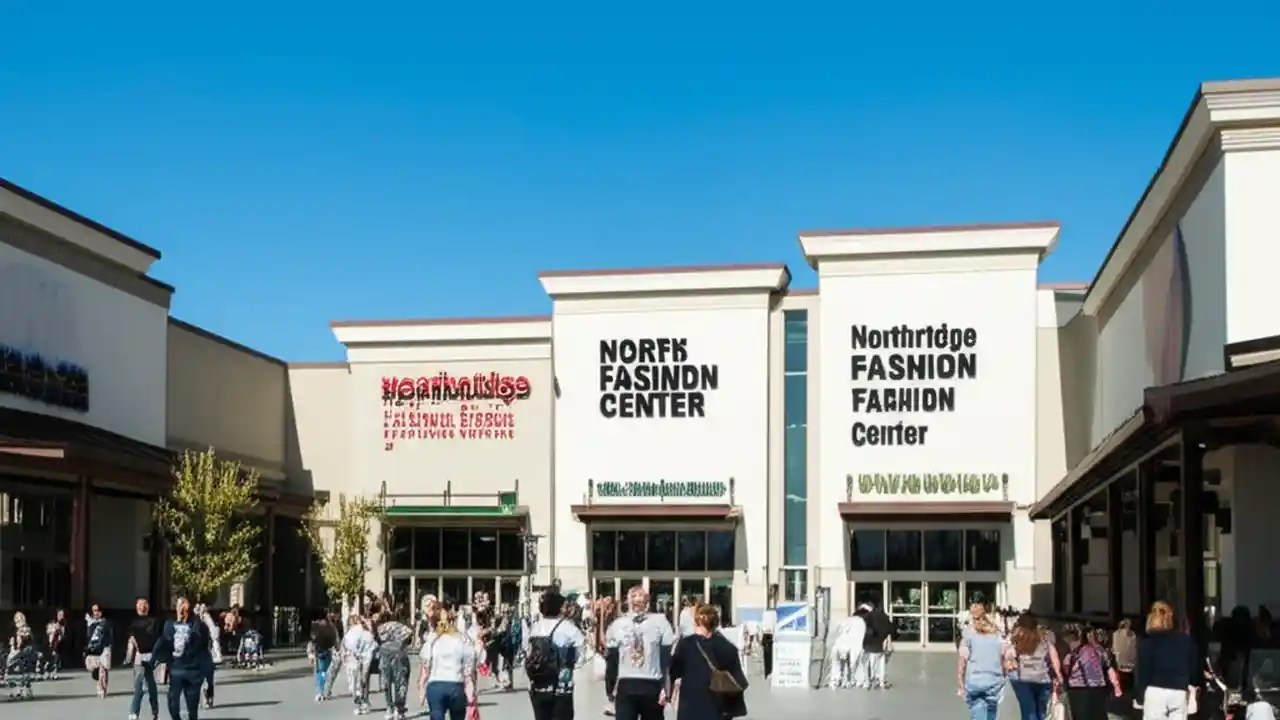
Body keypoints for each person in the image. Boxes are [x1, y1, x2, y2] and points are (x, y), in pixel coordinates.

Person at [606, 585, 676, 720]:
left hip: (650, 682)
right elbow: (612, 660)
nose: (637, 601)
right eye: (634, 597)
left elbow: (665, 659)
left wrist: (665, 688)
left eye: (641, 598)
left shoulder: (660, 623)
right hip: (628, 682)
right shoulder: (617, 625)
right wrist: (611, 689)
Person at [670, 603, 747, 719]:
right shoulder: (727, 646)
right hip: (719, 706)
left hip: (691, 705)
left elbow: (674, 671)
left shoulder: (686, 644)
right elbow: (738, 678)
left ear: (697, 622)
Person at [525, 590, 587, 720]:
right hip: (562, 686)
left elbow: (526, 650)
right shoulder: (569, 628)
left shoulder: (535, 627)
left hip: (538, 685)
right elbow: (581, 656)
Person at [1134, 601, 1199, 720]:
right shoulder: (1184, 641)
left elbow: (1143, 671)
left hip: (1155, 691)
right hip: (1179, 691)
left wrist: (1140, 696)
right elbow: (1194, 667)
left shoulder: (1147, 644)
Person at [419, 600, 478, 720]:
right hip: (456, 684)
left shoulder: (432, 640)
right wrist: (472, 688)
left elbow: (426, 664)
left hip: (436, 686)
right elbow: (469, 665)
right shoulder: (461, 639)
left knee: (436, 716)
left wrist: (421, 686)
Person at [154, 596, 210, 720]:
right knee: (173, 702)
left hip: (193, 671)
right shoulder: (169, 624)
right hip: (176, 669)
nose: (182, 608)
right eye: (179, 605)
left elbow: (204, 645)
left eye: (184, 605)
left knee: (192, 707)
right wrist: (156, 659)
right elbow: (163, 643)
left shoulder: (197, 624)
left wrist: (208, 675)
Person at [1006, 612, 1062, 720]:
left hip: (1023, 679)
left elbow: (1009, 656)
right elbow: (1053, 655)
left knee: (1028, 711)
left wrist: (1009, 665)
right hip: (1043, 678)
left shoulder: (1016, 636)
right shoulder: (1046, 635)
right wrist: (1058, 674)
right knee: (1041, 711)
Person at [1061, 626, 1123, 720]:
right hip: (1099, 688)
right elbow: (1109, 668)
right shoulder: (1100, 651)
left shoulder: (1075, 651)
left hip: (1079, 690)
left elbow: (1066, 667)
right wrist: (1116, 686)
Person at [957, 612, 1007, 720]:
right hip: (994, 681)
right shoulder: (998, 638)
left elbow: (962, 660)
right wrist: (1003, 676)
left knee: (977, 712)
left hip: (975, 680)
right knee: (991, 713)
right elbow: (1004, 660)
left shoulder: (969, 637)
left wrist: (960, 681)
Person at [373, 603, 414, 720]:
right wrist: (402, 644)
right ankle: (399, 709)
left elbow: (376, 640)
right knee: (400, 682)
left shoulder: (380, 628)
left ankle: (389, 708)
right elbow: (410, 634)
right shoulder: (399, 625)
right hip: (399, 654)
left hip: (385, 654)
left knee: (386, 682)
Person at [124, 597, 160, 720]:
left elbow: (132, 641)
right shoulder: (138, 623)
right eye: (139, 604)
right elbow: (132, 640)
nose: (141, 607)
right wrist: (129, 656)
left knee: (143, 683)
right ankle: (153, 710)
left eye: (143, 604)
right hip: (144, 655)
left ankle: (135, 712)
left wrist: (129, 657)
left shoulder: (151, 622)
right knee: (146, 683)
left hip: (146, 655)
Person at [342, 612, 377, 715]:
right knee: (357, 681)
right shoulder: (356, 631)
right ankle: (360, 701)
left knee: (363, 681)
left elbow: (373, 645)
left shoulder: (370, 632)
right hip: (356, 659)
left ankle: (364, 702)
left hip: (365, 659)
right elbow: (347, 643)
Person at [193, 603, 221, 709]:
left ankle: (209, 697)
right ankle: (204, 698)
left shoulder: (207, 619)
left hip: (207, 652)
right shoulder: (193, 621)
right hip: (196, 653)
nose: (199, 611)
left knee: (209, 678)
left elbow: (214, 634)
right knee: (201, 678)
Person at [84, 602, 114, 698]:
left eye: (98, 610)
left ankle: (102, 688)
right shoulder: (90, 624)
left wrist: (110, 646)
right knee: (95, 670)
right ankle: (100, 685)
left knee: (103, 669)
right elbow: (88, 637)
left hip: (105, 648)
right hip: (94, 650)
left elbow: (110, 635)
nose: (96, 613)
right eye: (94, 611)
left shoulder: (106, 623)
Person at [862, 601, 893, 690]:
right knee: (881, 664)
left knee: (871, 664)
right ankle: (881, 681)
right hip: (880, 646)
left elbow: (867, 630)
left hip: (871, 645)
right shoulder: (884, 617)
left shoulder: (868, 617)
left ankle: (871, 681)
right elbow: (890, 629)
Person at [309, 613, 338, 702]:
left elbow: (312, 641)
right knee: (324, 672)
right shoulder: (331, 628)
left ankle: (320, 691)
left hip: (319, 653)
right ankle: (323, 691)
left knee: (320, 672)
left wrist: (310, 652)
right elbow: (335, 640)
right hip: (326, 652)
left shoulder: (316, 628)